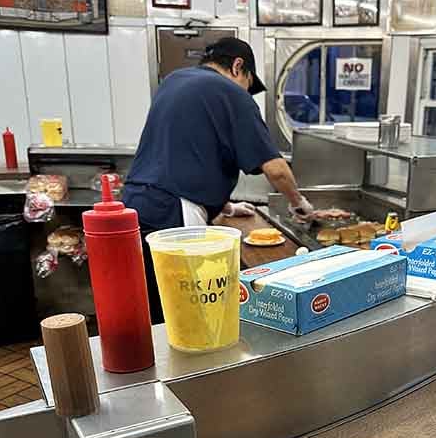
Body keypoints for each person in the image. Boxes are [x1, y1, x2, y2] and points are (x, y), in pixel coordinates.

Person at [123, 37, 313, 322]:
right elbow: (276, 170)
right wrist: (301, 205)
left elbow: (186, 152)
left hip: (136, 205)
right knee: (191, 311)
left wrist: (225, 207)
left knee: (158, 309)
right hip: (175, 212)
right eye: (249, 82)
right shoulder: (231, 93)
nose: (247, 92)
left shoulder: (175, 82)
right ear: (239, 66)